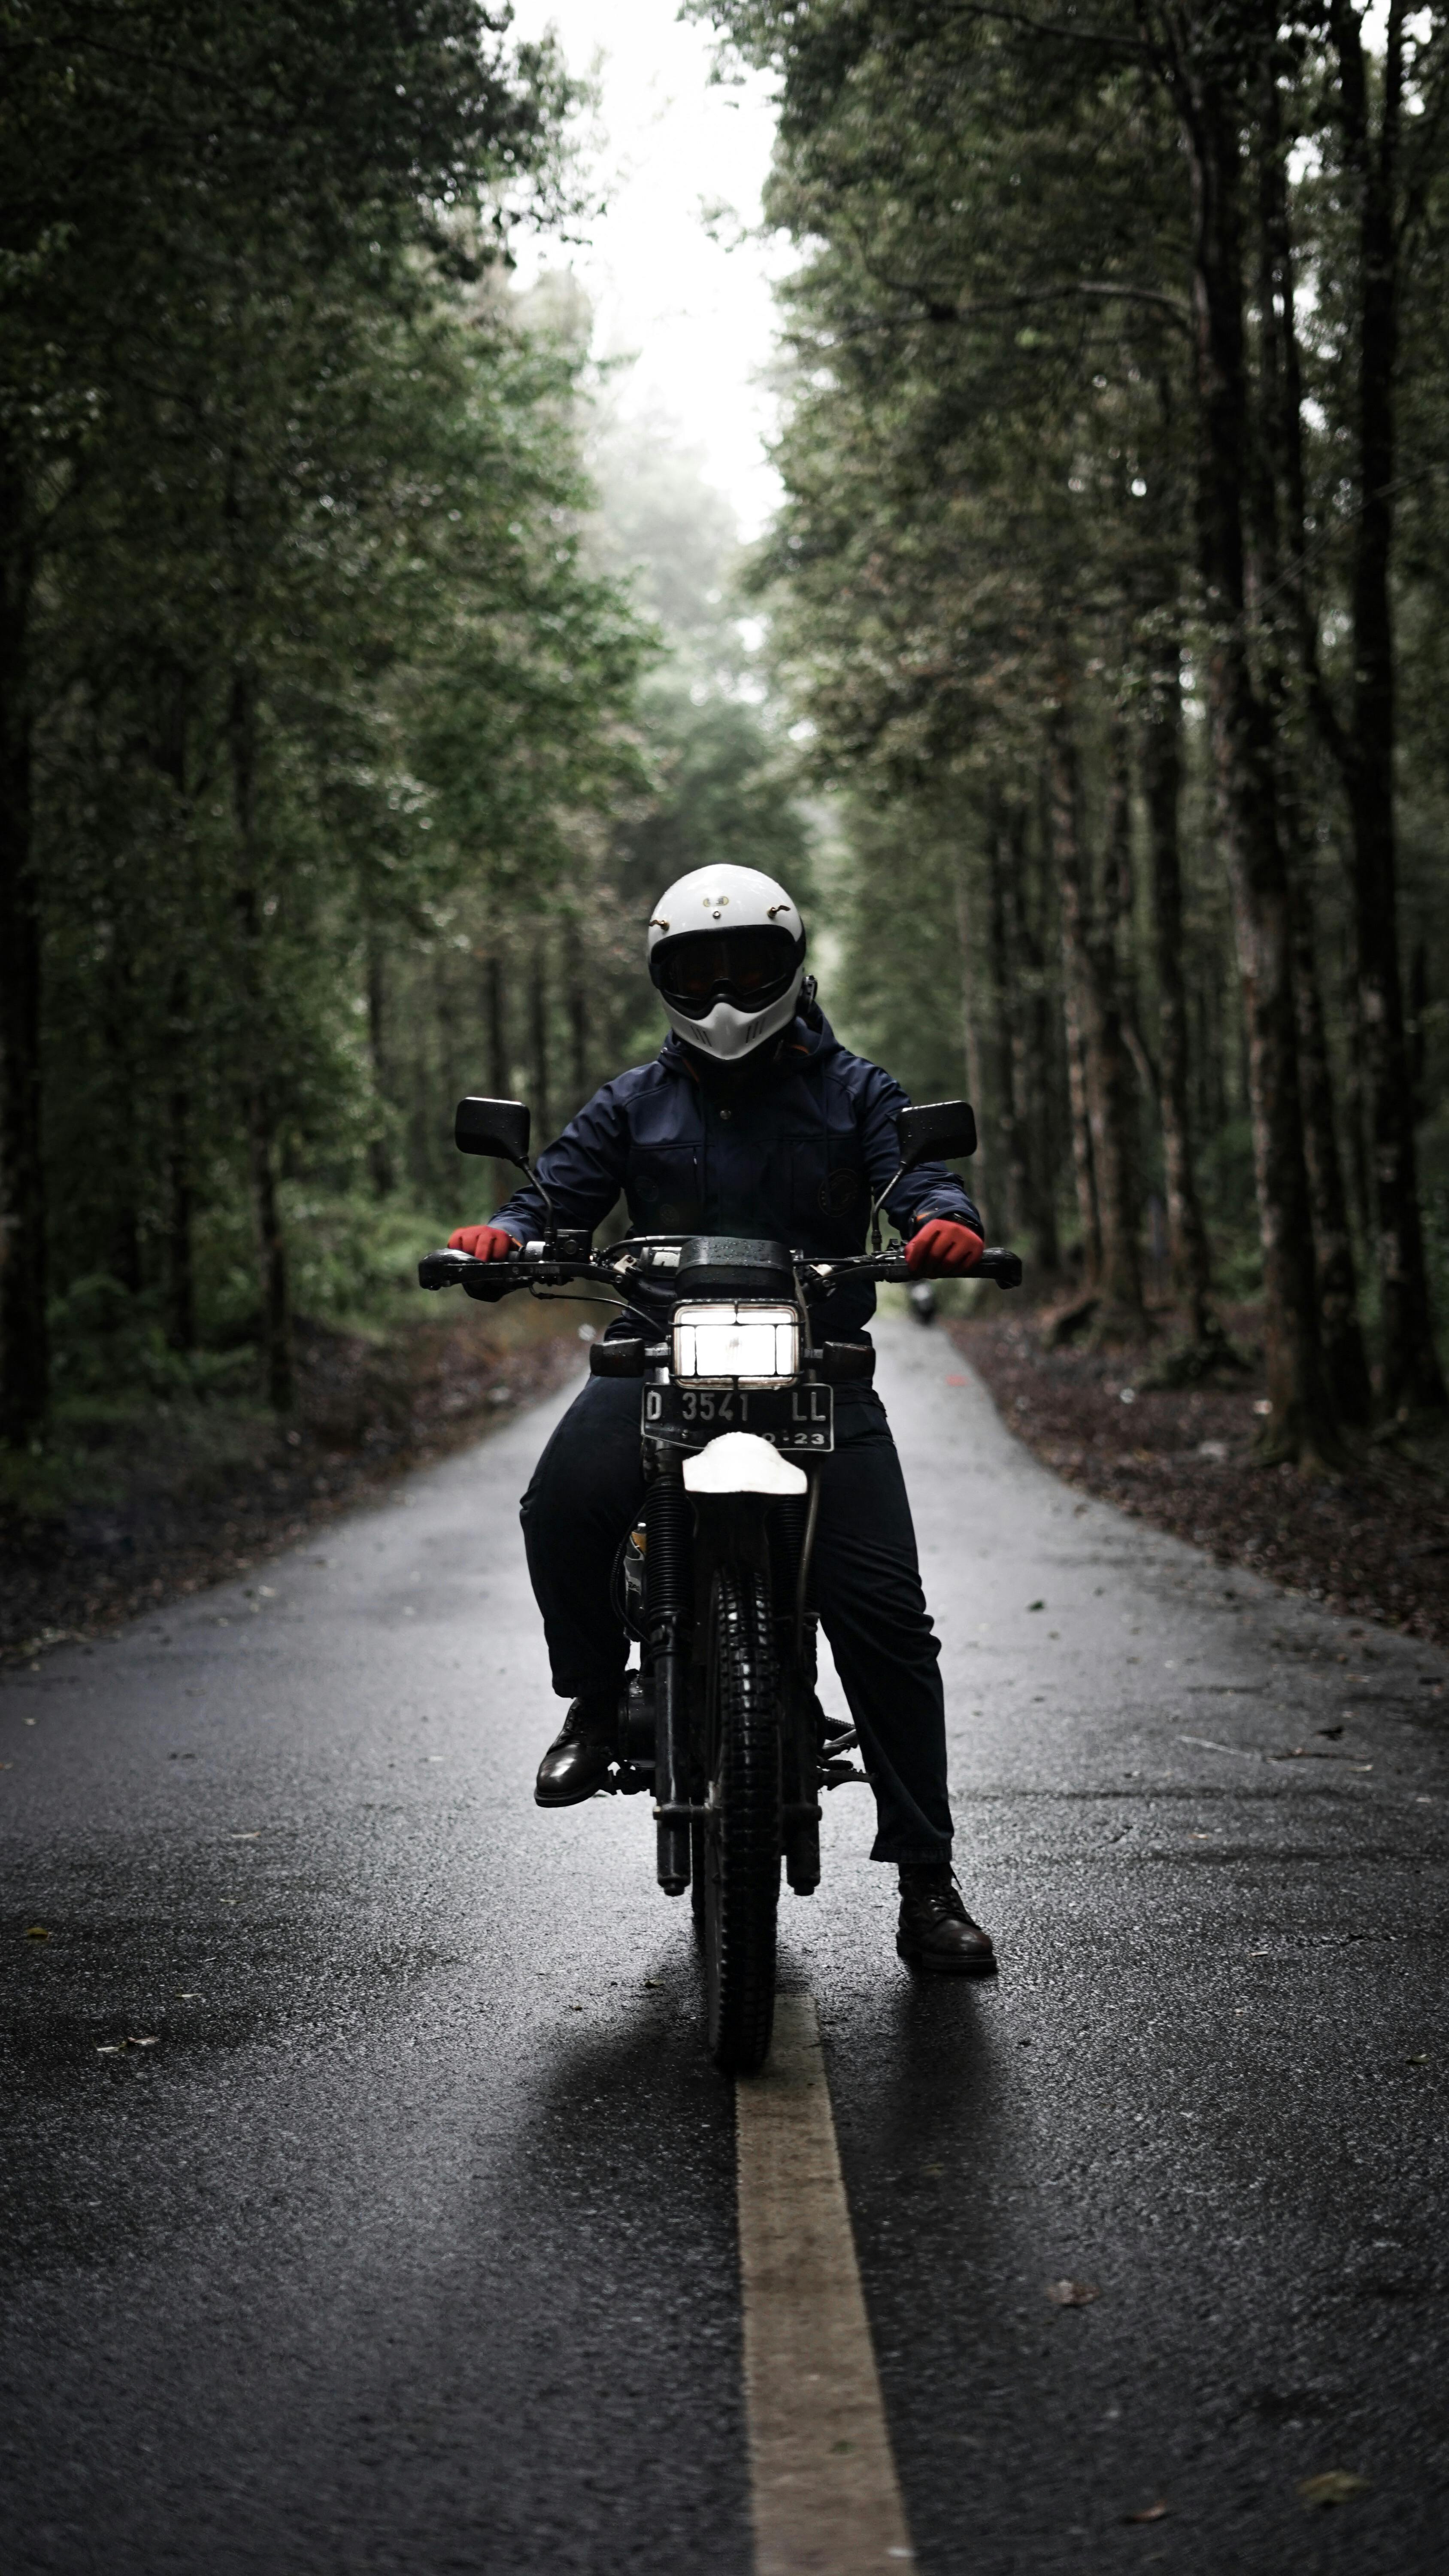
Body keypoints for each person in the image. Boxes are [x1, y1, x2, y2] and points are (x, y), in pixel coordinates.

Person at [449, 863, 995, 1975]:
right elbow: (552, 1194)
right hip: (659, 1359)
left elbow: (918, 1178)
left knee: (887, 1617)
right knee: (560, 1505)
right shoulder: (631, 1103)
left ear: (792, 966)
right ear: (665, 979)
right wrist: (504, 1238)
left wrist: (944, 1223)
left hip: (816, 1372)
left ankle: (927, 1883)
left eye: (750, 968)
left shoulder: (858, 1092)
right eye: (699, 973)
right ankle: (594, 1703)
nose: (727, 993)